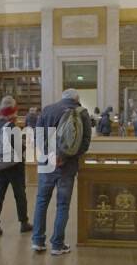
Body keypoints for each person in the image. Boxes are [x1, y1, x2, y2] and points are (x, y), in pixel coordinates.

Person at [31, 89, 92, 255]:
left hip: (46, 163)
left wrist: (50, 155)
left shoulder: (47, 109)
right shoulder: (82, 113)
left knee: (42, 201)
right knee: (62, 205)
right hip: (68, 165)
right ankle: (57, 245)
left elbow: (37, 136)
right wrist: (64, 156)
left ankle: (38, 241)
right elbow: (85, 143)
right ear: (76, 100)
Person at [0, 96, 32, 238]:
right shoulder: (13, 128)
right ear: (13, 112)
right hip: (14, 168)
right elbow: (19, 149)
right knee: (19, 195)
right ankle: (24, 223)